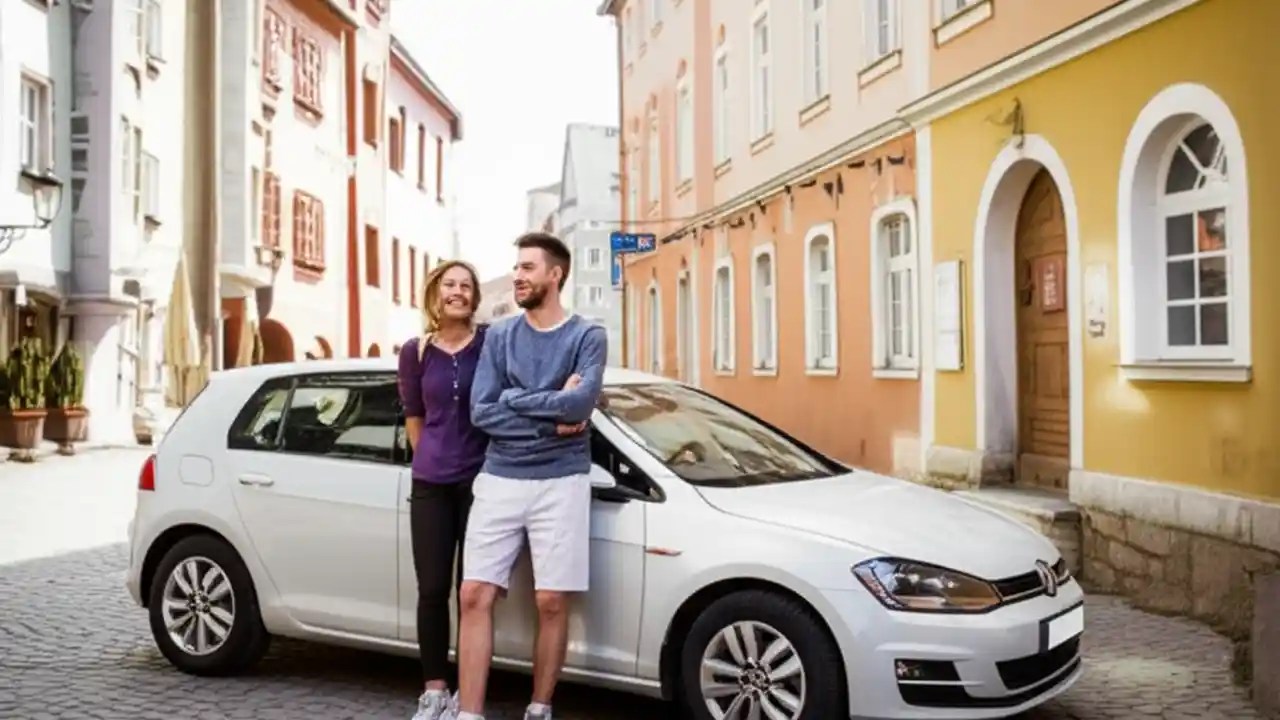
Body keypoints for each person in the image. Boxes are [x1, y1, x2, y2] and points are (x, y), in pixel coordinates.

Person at [445, 232, 608, 720]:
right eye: (516, 267)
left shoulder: (587, 336)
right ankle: (469, 714)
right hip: (500, 477)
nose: (517, 276)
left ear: (555, 275)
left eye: (528, 268)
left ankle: (539, 708)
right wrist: (550, 408)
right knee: (474, 593)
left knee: (552, 600)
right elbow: (481, 412)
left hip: (562, 480)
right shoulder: (499, 336)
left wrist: (518, 398)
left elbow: (581, 404)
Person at [397, 260, 490, 720]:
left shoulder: (490, 344)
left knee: (470, 591)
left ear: (475, 297)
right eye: (450, 285)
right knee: (432, 588)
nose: (458, 292)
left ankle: (467, 693)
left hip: (481, 484)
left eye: (466, 286)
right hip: (431, 484)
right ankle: (435, 690)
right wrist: (428, 459)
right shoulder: (415, 352)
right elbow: (414, 415)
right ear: (435, 293)